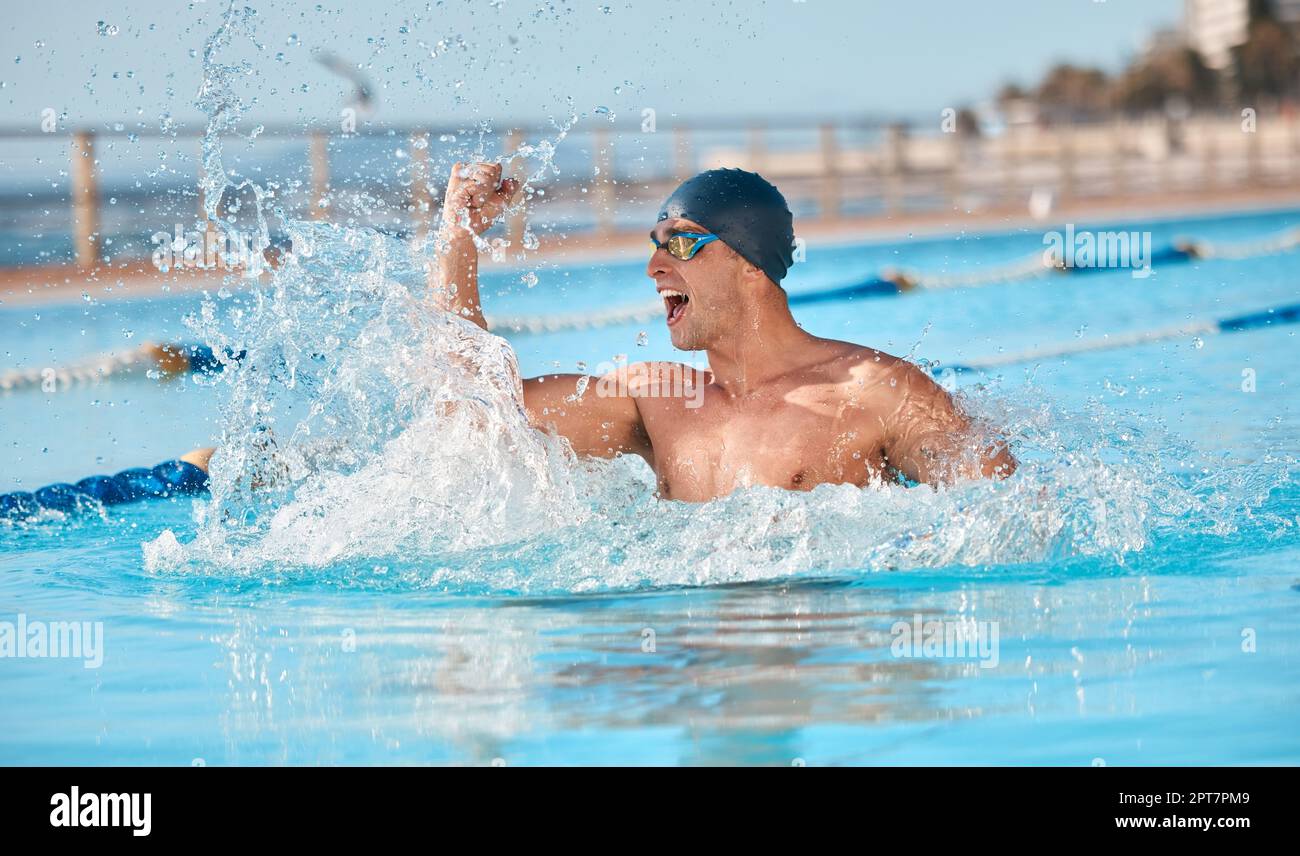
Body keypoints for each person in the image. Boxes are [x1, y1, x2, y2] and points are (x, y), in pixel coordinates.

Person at [182, 162, 1015, 504]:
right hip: (687, 652)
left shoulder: (876, 394)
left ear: (750, 264)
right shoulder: (659, 401)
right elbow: (474, 409)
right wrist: (456, 237)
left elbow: (1010, 515)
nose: (655, 270)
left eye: (679, 245)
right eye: (652, 248)